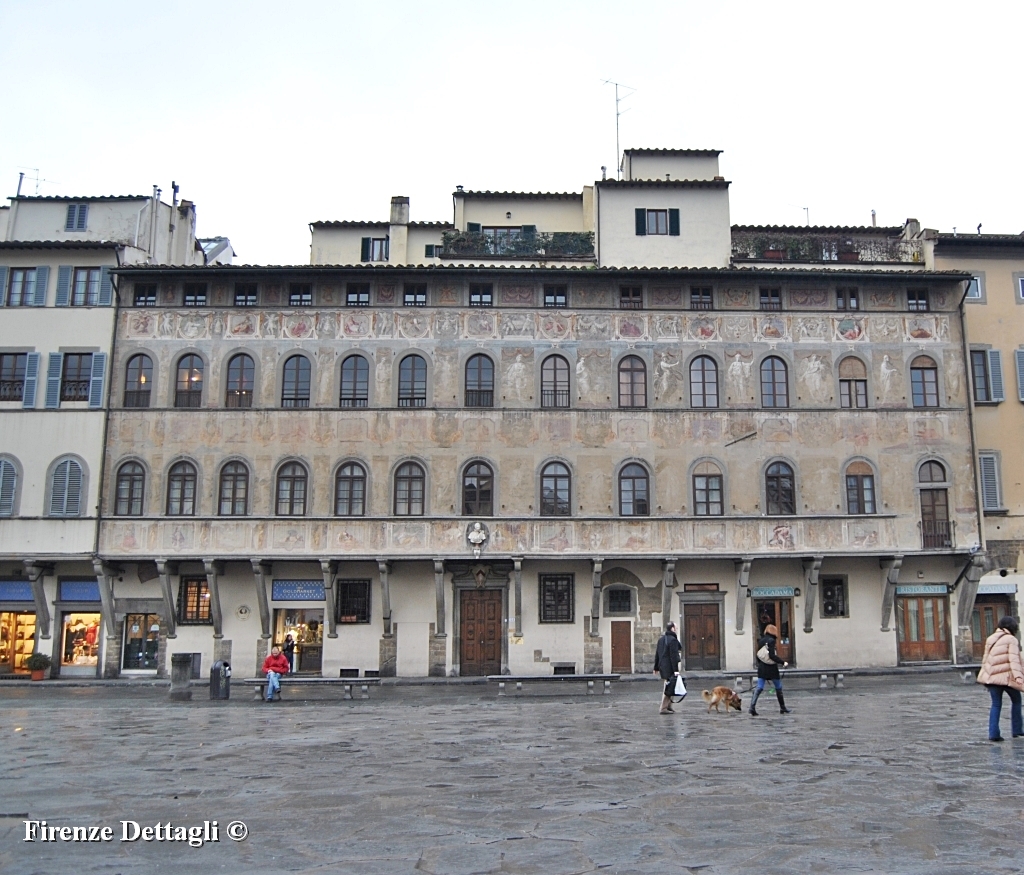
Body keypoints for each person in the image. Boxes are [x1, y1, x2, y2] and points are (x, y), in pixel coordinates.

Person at [976, 616, 1024, 742]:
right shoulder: (1011, 639)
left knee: (996, 704)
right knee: (1017, 700)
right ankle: (1017, 729)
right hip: (1007, 678)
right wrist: (1019, 677)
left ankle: (993, 734)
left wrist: (985, 676)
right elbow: (1014, 660)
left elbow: (986, 659)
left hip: (992, 679)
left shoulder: (990, 638)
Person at [749, 623, 791, 716]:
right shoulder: (771, 640)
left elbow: (759, 655)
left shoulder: (761, 641)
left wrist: (761, 664)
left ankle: (752, 707)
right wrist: (783, 662)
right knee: (778, 687)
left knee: (759, 687)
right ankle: (782, 707)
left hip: (762, 667)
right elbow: (772, 655)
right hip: (771, 668)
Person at [654, 622, 682, 715]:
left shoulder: (661, 639)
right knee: (668, 687)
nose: (677, 630)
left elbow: (657, 654)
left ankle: (669, 706)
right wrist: (676, 671)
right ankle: (663, 707)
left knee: (671, 685)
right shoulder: (673, 640)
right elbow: (673, 656)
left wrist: (656, 667)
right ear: (672, 629)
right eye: (676, 628)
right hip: (669, 667)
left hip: (663, 666)